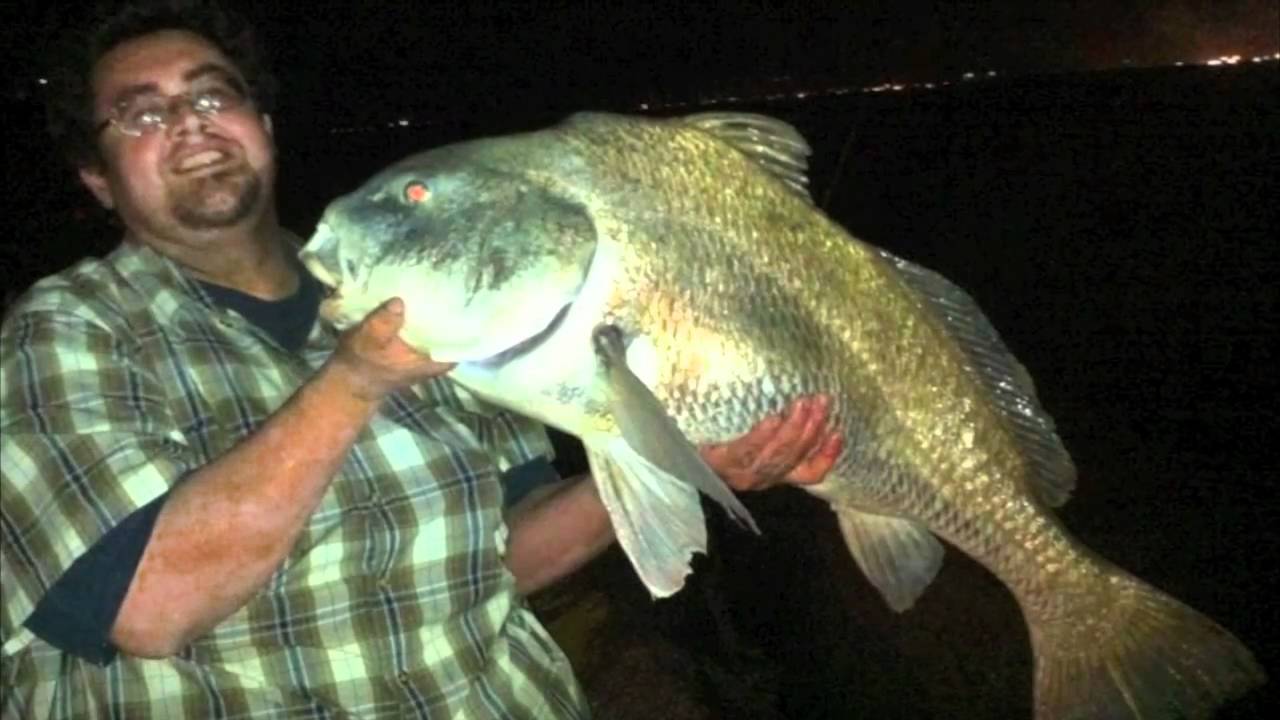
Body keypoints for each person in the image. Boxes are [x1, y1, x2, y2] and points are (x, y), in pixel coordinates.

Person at [0, 2, 843, 717]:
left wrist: (677, 461)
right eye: (141, 112)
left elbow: (502, 556)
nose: (188, 121)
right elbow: (145, 605)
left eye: (214, 94)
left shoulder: (436, 297)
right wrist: (353, 382)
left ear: (261, 125)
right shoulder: (66, 330)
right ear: (97, 177)